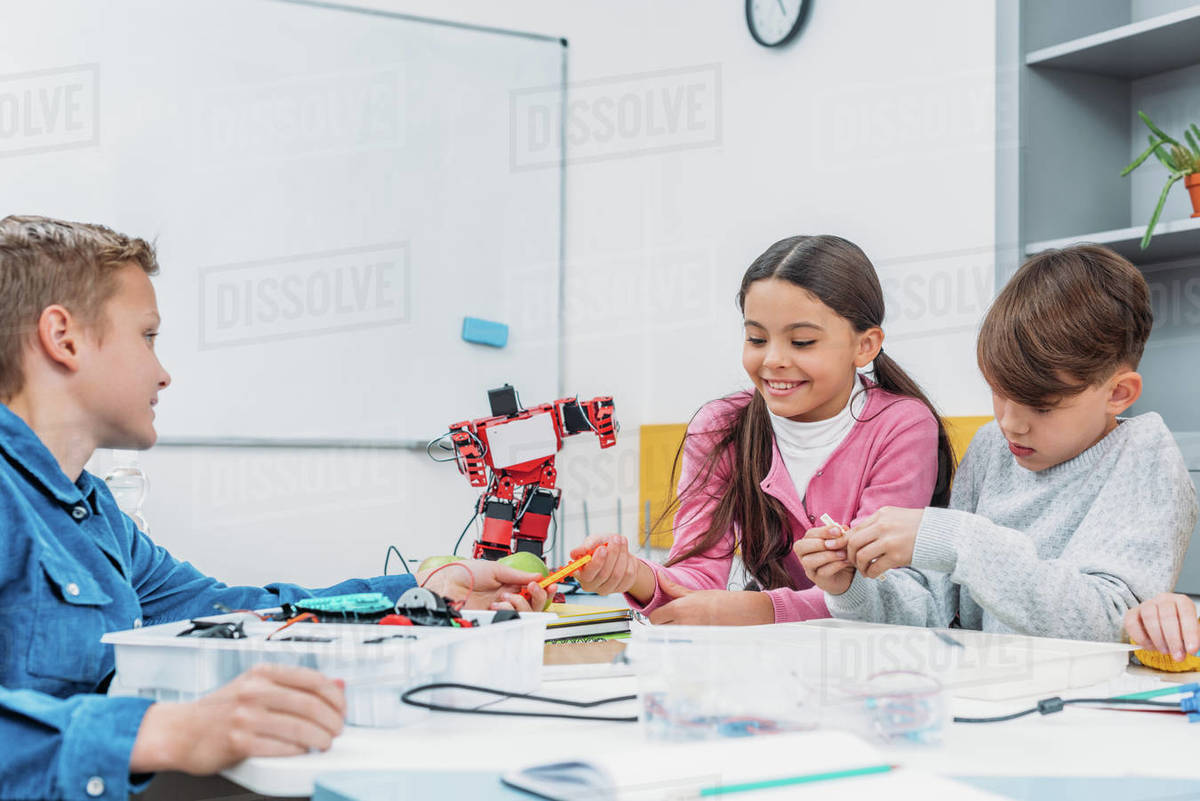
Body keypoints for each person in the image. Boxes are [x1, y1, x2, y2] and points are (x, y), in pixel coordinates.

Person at [0, 215, 550, 800]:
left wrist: (423, 592)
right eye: (147, 336)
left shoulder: (96, 511)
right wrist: (163, 731)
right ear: (64, 338)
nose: (164, 373)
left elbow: (229, 610)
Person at [798, 245, 1198, 641]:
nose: (1011, 423)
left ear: (1118, 394)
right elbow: (935, 609)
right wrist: (851, 588)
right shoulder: (994, 446)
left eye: (1041, 408)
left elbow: (1109, 625)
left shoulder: (1145, 458)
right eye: (999, 393)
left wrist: (958, 540)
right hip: (988, 690)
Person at [569, 234, 953, 624]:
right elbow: (698, 578)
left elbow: (879, 594)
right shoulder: (720, 427)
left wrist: (761, 608)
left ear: (866, 345)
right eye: (756, 338)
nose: (773, 360)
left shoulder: (902, 426)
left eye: (802, 342)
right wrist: (632, 574)